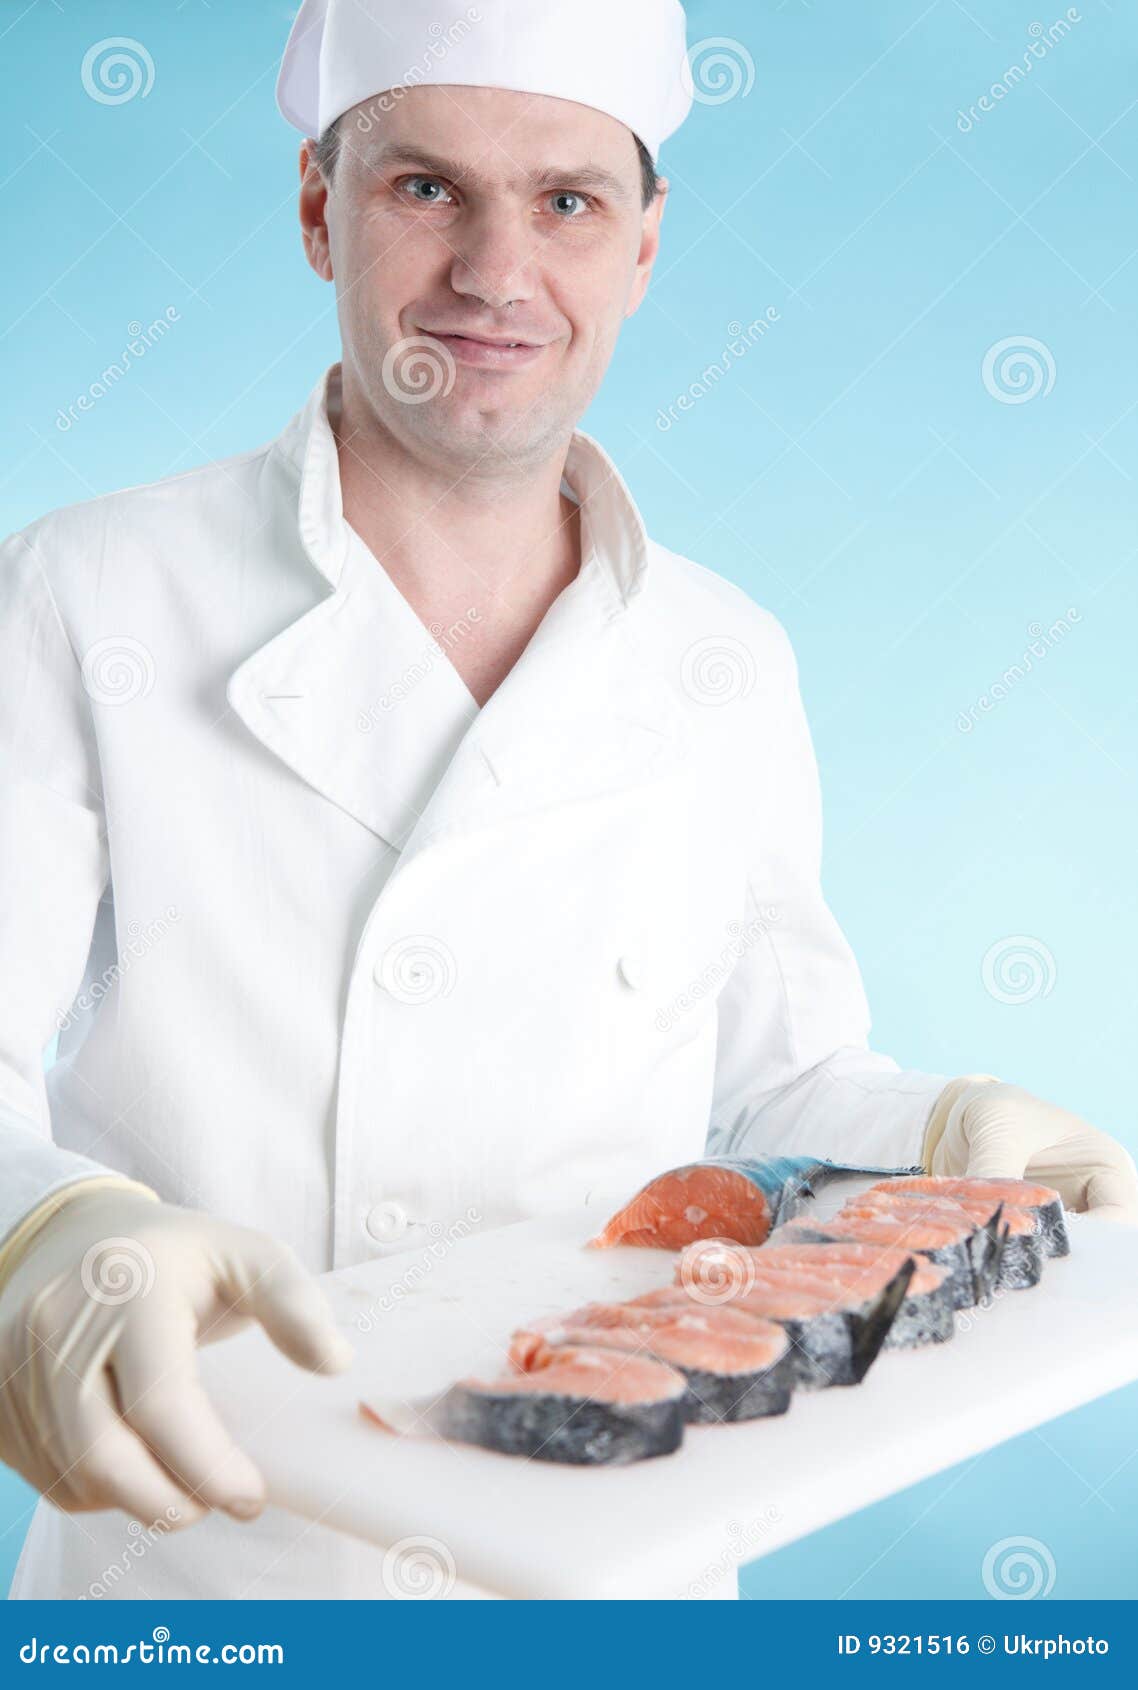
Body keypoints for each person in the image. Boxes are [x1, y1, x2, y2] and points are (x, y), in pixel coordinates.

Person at [1, 0, 1134, 1602]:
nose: (493, 271)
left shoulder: (726, 659)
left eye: (567, 201)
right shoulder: (86, 592)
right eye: (424, 189)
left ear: (645, 244)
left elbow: (777, 1090)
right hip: (201, 1567)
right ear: (320, 205)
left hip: (607, 1576)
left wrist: (938, 1138)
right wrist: (35, 1236)